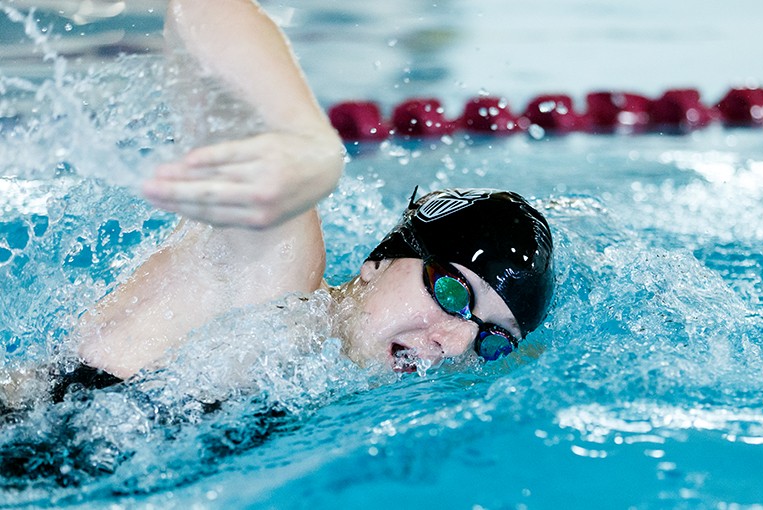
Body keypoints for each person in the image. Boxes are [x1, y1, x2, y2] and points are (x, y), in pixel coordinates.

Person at [2, 0, 554, 408]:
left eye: (491, 339)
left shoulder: (322, 379)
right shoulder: (273, 284)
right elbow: (200, 10)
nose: (454, 342)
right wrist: (310, 147)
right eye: (453, 291)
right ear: (379, 261)